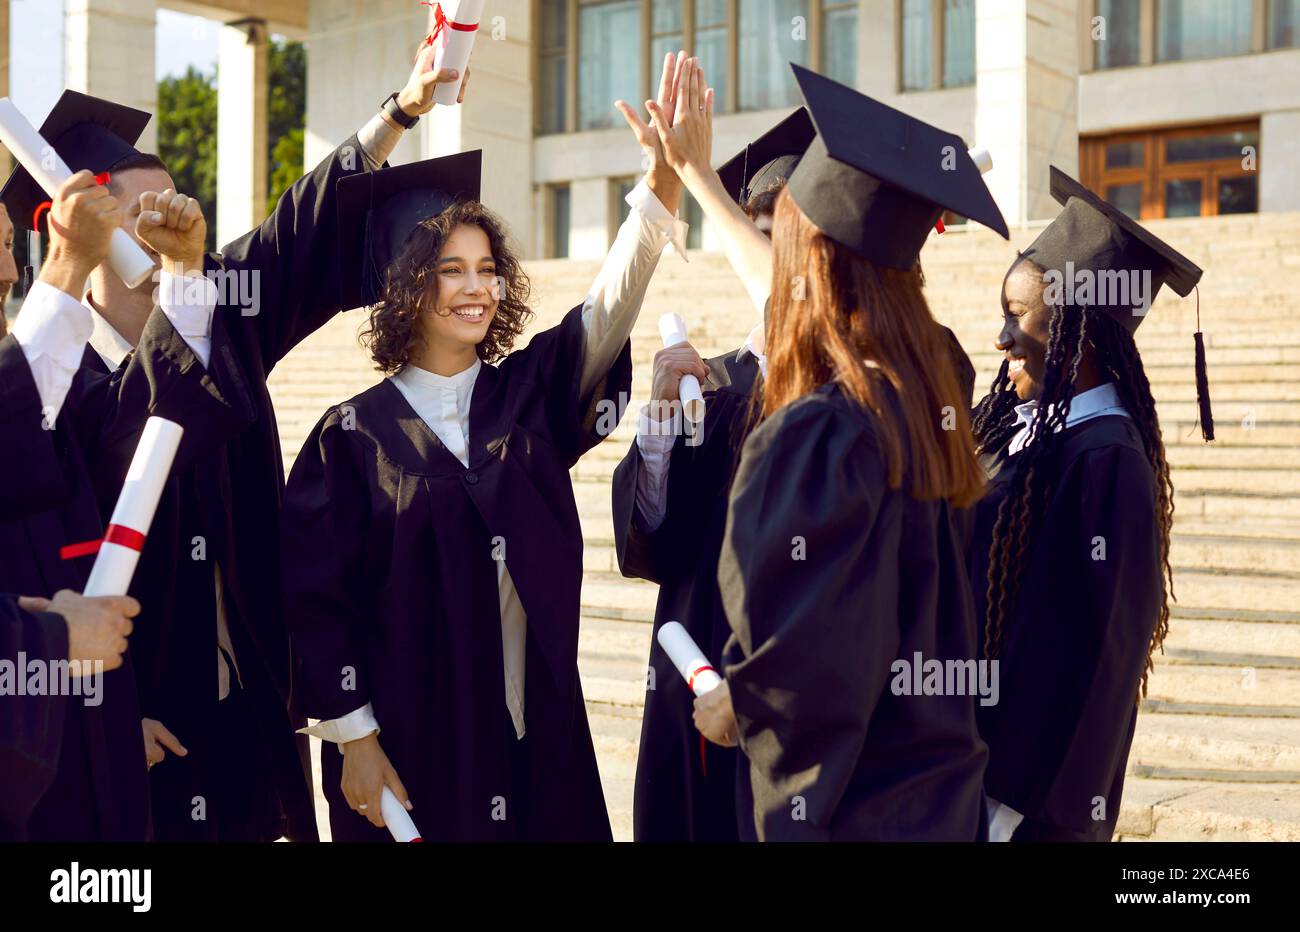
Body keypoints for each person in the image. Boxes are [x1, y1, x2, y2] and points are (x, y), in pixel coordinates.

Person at [8, 45, 462, 842]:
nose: (165, 221)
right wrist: (101, 718)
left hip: (246, 691)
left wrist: (403, 108)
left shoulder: (217, 312)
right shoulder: (41, 389)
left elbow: (298, 227)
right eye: (139, 211)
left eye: (173, 203)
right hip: (139, 713)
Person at [282, 52, 692, 841]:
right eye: (450, 271)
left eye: (487, 270)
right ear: (408, 287)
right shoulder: (350, 438)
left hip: (537, 732)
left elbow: (605, 309)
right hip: (410, 743)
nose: (477, 288)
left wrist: (663, 188)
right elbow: (315, 607)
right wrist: (354, 741)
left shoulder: (524, 397)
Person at [657, 63, 1007, 841]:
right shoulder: (933, 397)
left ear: (805, 259)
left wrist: (737, 701)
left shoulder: (820, 433)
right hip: (939, 804)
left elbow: (808, 666)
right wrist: (697, 177)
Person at [0, 162, 247, 840]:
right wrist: (50, 643)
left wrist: (186, 276)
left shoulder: (55, 400)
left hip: (76, 740)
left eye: (8, 250)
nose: (9, 276)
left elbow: (143, 421)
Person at [967, 166, 1202, 842]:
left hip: (1024, 809)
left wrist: (1006, 810)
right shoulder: (1021, 429)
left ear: (1081, 335)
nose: (1001, 337)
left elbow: (1098, 661)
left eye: (1017, 317)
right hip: (967, 775)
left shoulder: (1108, 460)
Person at [611, 106, 813, 843]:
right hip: (695, 677)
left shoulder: (855, 385)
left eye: (779, 223)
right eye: (752, 220)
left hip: (798, 699)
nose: (761, 238)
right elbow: (655, 547)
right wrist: (660, 426)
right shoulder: (717, 384)